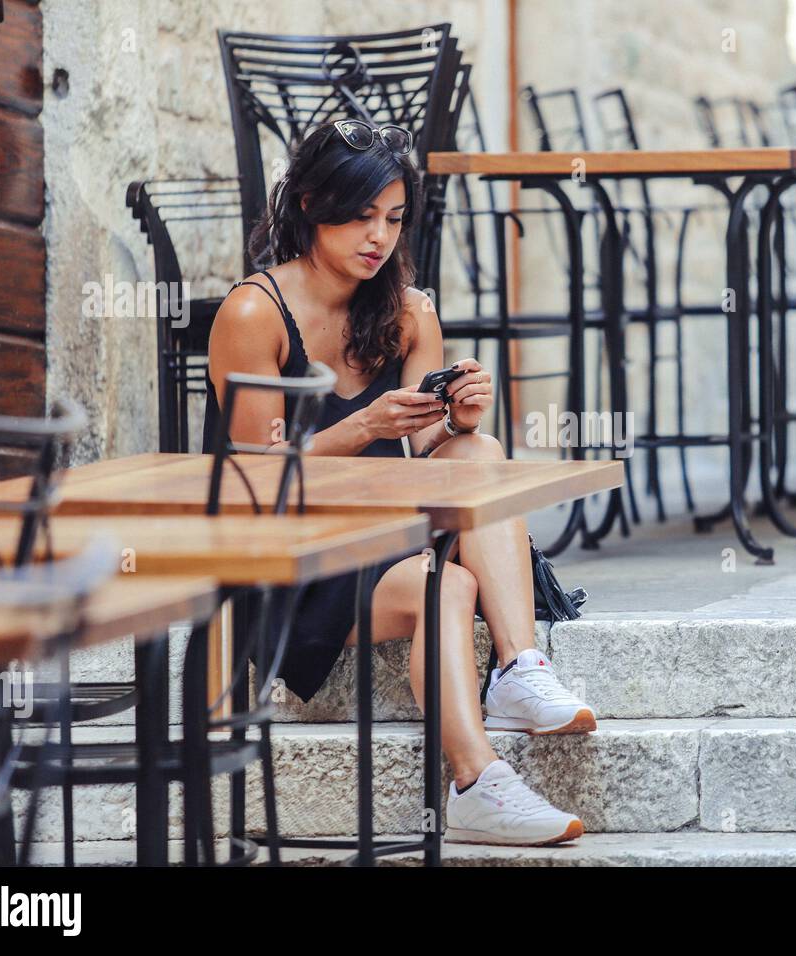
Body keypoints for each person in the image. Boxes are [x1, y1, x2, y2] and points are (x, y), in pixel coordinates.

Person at [206, 120, 593, 846]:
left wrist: (456, 417)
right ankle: (480, 780)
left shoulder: (409, 311)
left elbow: (424, 447)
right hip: (288, 558)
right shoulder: (254, 312)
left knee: (481, 452)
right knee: (443, 584)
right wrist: (360, 428)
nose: (377, 237)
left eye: (391, 218)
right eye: (358, 217)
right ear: (311, 204)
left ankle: (518, 667)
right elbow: (254, 481)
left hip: (384, 536)